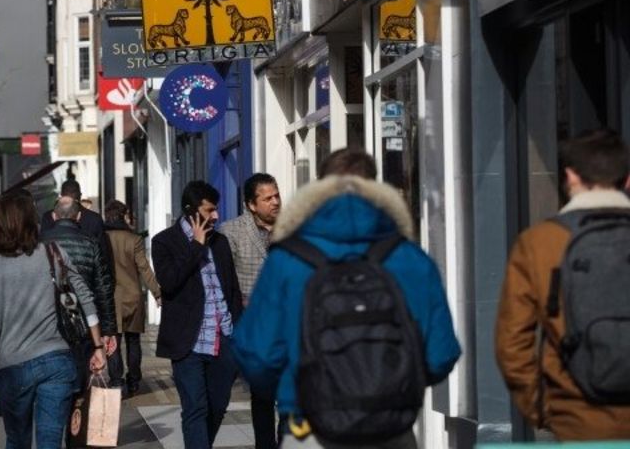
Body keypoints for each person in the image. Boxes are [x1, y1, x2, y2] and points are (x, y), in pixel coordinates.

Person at [233, 148, 461, 448]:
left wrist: (293, 387)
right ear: (376, 187)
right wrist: (391, 386)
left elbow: (257, 355)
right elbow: (441, 354)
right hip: (390, 430)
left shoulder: (287, 261)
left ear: (321, 188)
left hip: (309, 429)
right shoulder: (410, 259)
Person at [496, 129, 630, 440]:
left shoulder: (540, 242)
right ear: (625, 180)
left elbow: (512, 344)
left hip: (577, 418)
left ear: (570, 177)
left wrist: (544, 409)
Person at [0, 190, 107, 449]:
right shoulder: (52, 252)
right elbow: (84, 297)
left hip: (12, 366)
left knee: (17, 440)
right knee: (50, 442)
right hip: (56, 361)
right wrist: (98, 346)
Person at [152, 181, 243, 449]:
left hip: (223, 338)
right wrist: (196, 246)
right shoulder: (164, 242)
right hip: (188, 342)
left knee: (218, 406)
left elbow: (232, 290)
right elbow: (169, 282)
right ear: (191, 211)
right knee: (195, 408)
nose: (216, 215)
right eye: (209, 210)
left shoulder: (221, 242)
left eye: (216, 209)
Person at [217, 173, 281, 449]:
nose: (275, 202)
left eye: (277, 195)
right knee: (263, 395)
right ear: (251, 205)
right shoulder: (231, 232)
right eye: (267, 198)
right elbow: (225, 283)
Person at [42, 196, 119, 393]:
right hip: (84, 324)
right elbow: (103, 288)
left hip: (48, 324)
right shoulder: (91, 243)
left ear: (53, 216)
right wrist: (108, 330)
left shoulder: (41, 243)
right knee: (81, 380)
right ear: (78, 217)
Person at [103, 200, 161, 395]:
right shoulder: (133, 239)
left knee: (113, 341)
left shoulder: (102, 238)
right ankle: (134, 380)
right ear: (123, 216)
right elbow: (144, 268)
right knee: (133, 341)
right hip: (133, 296)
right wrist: (157, 292)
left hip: (111, 298)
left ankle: (116, 380)